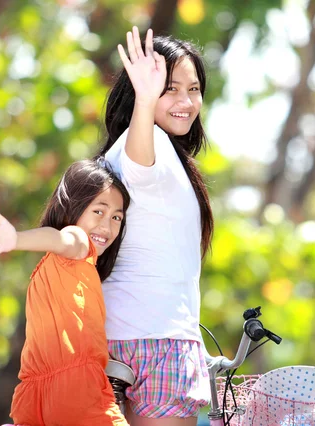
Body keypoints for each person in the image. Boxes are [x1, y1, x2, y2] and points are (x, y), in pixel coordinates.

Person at [96, 27, 214, 425]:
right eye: (171, 89)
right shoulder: (146, 145)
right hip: (158, 344)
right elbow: (139, 167)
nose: (186, 101)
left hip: (116, 339)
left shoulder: (149, 152)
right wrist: (146, 101)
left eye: (194, 89)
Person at [0, 159, 131, 426]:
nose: (107, 225)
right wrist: (16, 239)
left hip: (36, 397)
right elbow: (60, 238)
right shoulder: (77, 242)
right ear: (73, 207)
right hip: (77, 391)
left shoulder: (56, 267)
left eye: (116, 217)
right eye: (98, 212)